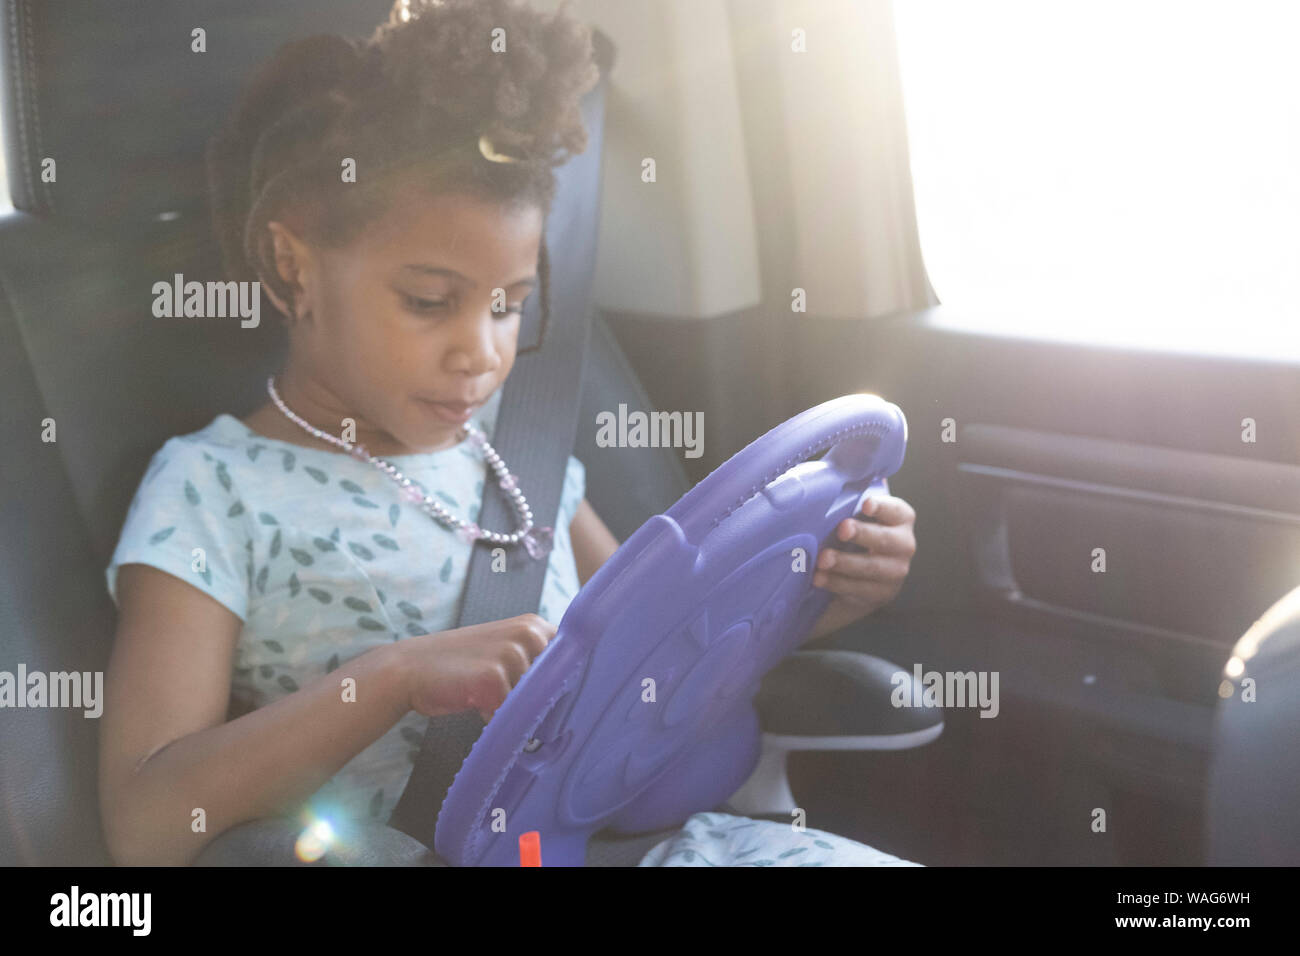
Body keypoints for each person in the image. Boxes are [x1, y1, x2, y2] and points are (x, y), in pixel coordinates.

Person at [99, 0, 919, 867]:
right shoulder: (212, 489)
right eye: (427, 301)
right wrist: (391, 680)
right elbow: (148, 824)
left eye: (509, 306)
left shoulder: (519, 460)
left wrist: (824, 585)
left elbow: (671, 640)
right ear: (295, 264)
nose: (481, 355)